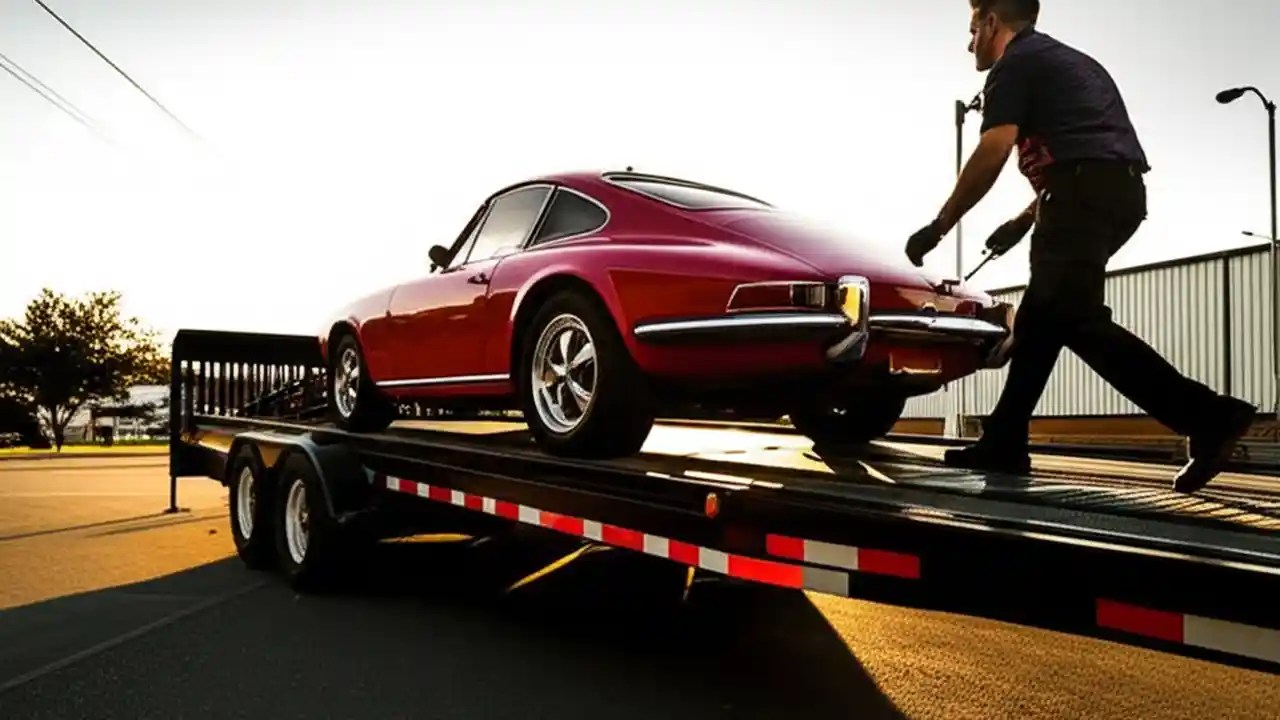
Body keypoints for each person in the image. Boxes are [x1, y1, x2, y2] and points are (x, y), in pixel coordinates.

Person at [904, 0, 1257, 494]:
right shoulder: (1066, 60)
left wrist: (940, 225)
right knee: (1043, 318)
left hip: (1082, 195)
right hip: (1115, 195)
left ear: (990, 21)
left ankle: (1209, 416)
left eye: (971, 30)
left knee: (1073, 318)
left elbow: (993, 149)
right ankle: (1005, 437)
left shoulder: (1015, 64)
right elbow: (1087, 150)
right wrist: (1022, 221)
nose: (969, 44)